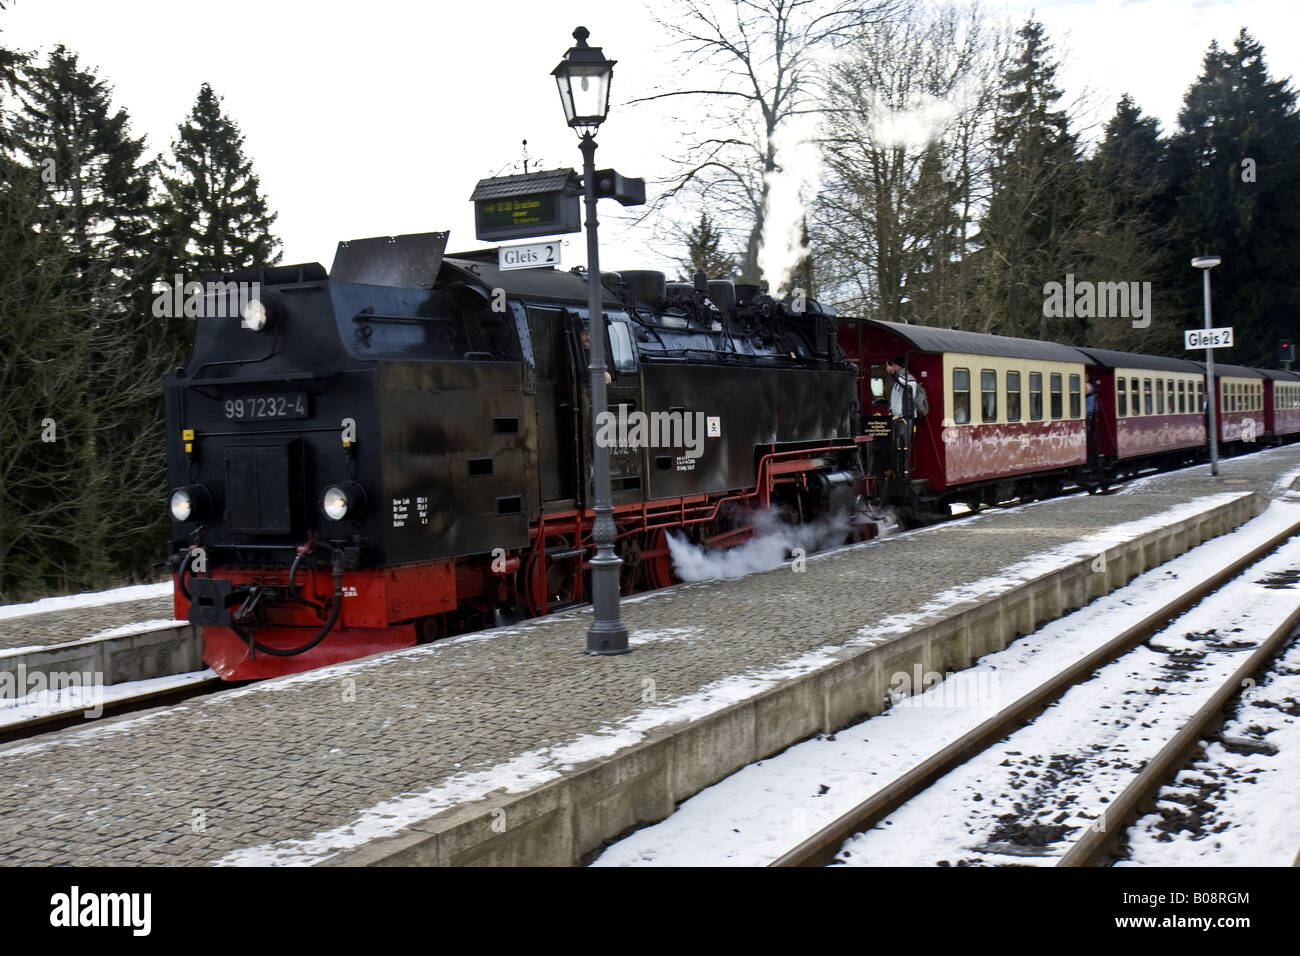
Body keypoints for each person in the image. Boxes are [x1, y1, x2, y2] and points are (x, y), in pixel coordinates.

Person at [885, 355, 917, 476]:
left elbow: (905, 384)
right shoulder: (897, 382)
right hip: (897, 418)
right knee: (896, 444)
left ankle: (904, 470)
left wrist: (893, 374)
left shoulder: (910, 379)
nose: (892, 366)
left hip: (906, 418)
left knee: (904, 444)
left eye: (893, 365)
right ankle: (896, 469)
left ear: (898, 366)